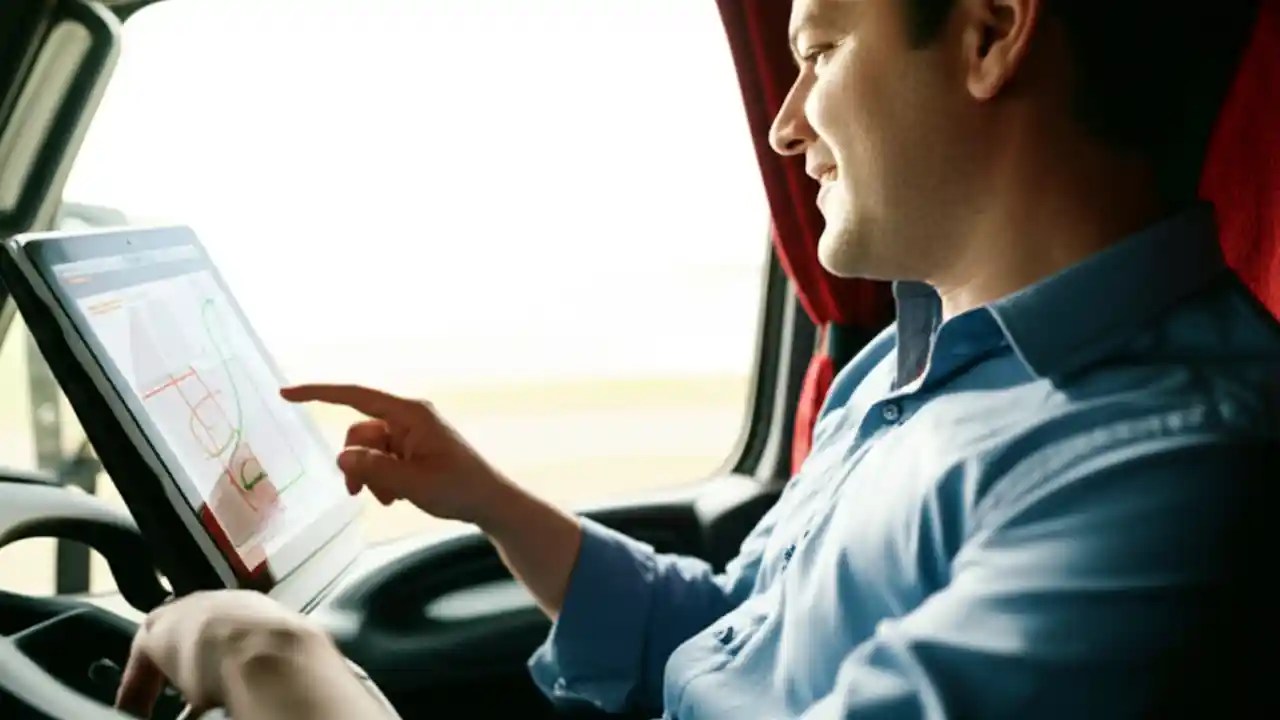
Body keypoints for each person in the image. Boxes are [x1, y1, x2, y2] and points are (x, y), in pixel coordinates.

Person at [116, 0, 1279, 718]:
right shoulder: (902, 368)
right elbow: (732, 631)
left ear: (987, 33)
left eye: (819, 51)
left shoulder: (1168, 473)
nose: (785, 123)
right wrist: (488, 499)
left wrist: (281, 670)